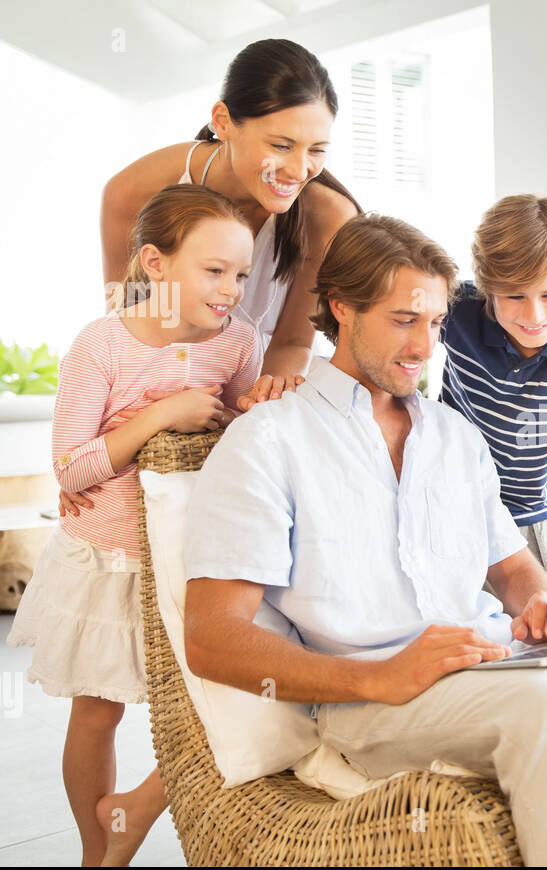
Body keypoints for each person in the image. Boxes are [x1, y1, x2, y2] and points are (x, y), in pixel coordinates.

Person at [182, 213, 547, 866]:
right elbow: (211, 637)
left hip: (502, 667)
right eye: (403, 320)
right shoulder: (269, 440)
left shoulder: (454, 436)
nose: (426, 346)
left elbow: (511, 568)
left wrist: (541, 602)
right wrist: (376, 678)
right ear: (341, 308)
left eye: (435, 323)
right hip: (372, 701)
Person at [8, 185, 263, 866]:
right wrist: (158, 415)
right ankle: (100, 849)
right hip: (108, 562)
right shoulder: (102, 345)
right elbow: (71, 468)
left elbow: (242, 447)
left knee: (219, 702)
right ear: (155, 263)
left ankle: (140, 806)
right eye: (214, 271)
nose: (232, 289)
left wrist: (229, 414)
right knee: (99, 713)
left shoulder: (241, 343)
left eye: (241, 273)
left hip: (190, 560)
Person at [61, 38, 360, 519]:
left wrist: (240, 426)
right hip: (158, 389)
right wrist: (97, 462)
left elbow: (288, 346)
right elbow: (134, 326)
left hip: (259, 388)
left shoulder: (327, 215)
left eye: (317, 150)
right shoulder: (133, 192)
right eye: (280, 145)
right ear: (223, 122)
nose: (298, 169)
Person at [438, 195, 547, 597]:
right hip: (456, 512)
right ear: (487, 290)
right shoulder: (457, 309)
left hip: (537, 522)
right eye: (515, 296)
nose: (534, 316)